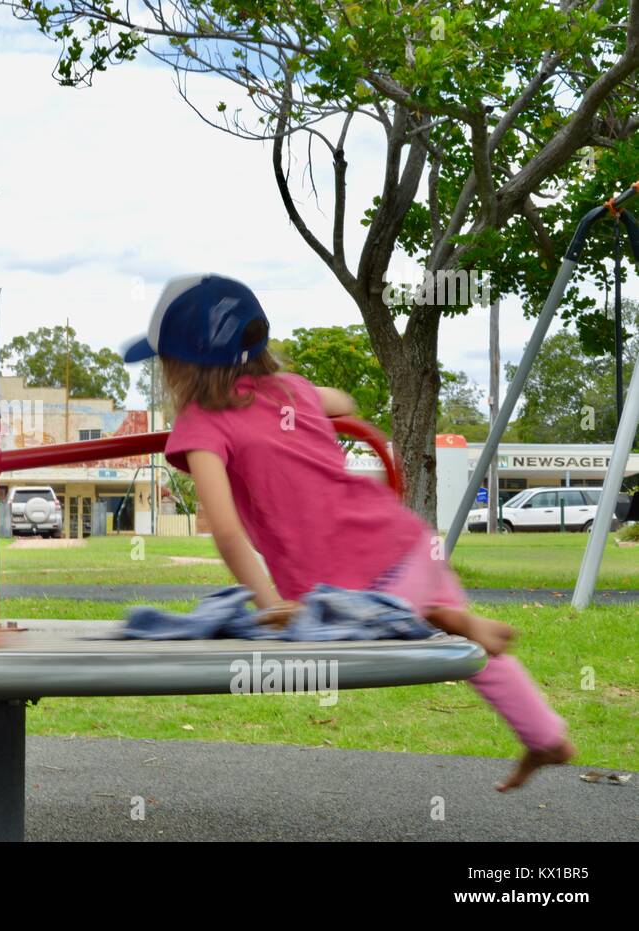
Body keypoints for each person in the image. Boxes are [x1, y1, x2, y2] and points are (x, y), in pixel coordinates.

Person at [125, 274, 573, 791]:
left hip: (346, 579)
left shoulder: (202, 425)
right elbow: (342, 401)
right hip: (403, 539)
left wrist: (268, 602)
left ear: (183, 366)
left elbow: (225, 531)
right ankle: (544, 735)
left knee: (328, 628)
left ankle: (436, 618)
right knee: (476, 655)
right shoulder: (292, 391)